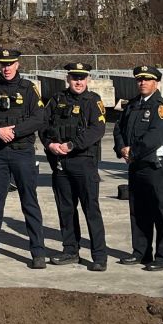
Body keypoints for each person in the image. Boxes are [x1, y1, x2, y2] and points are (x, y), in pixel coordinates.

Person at [0, 47, 48, 269]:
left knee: (29, 202)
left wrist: (14, 131)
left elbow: (39, 117)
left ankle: (37, 252)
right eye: (3, 64)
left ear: (17, 65)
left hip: (22, 151)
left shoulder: (28, 89)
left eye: (10, 64)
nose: (6, 68)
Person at [41, 63, 108, 270]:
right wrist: (50, 144)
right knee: (66, 210)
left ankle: (99, 256)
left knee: (91, 210)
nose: (78, 82)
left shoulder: (93, 101)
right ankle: (70, 250)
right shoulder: (56, 99)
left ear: (87, 79)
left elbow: (98, 129)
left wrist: (72, 145)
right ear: (67, 79)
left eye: (82, 78)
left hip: (84, 162)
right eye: (74, 78)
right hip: (61, 163)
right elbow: (43, 125)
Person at [113, 64, 163, 273]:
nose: (142, 83)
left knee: (162, 212)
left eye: (147, 79)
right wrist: (121, 148)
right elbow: (118, 129)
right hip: (136, 167)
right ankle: (141, 252)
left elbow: (154, 137)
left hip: (157, 168)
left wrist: (132, 152)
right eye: (140, 79)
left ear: (156, 83)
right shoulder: (132, 106)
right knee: (138, 211)